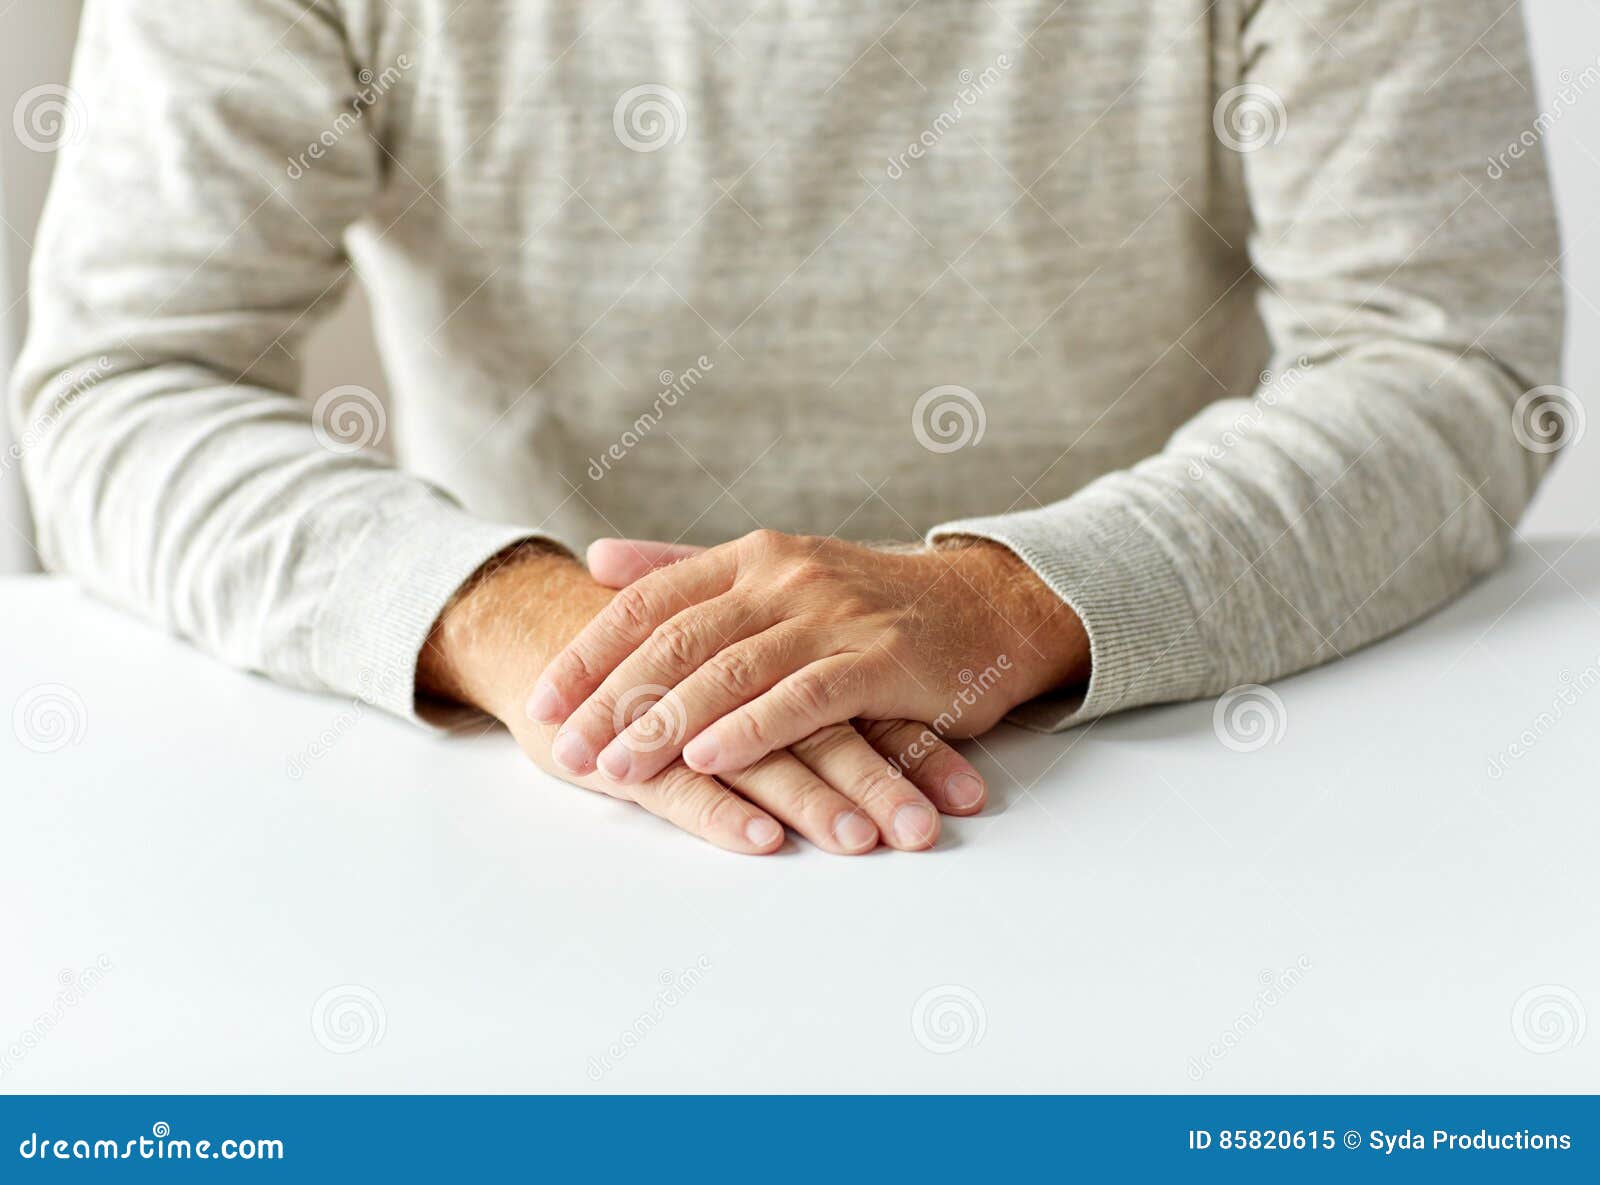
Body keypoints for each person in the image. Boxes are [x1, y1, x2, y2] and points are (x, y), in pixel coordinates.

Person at [12, 1, 1564, 855]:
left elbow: (1449, 365)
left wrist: (1012, 600)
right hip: (537, 812)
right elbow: (127, 377)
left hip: (1141, 792)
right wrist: (529, 626)